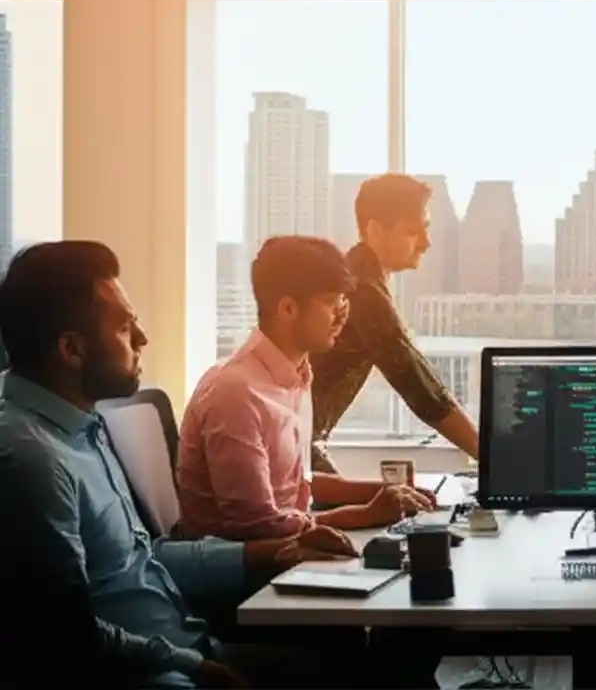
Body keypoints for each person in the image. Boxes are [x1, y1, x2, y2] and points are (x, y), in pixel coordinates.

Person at [0, 241, 351, 687]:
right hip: (149, 674)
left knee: (355, 657)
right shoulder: (31, 461)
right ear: (72, 349)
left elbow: (144, 558)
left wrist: (276, 553)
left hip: (184, 644)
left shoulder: (82, 429)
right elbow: (65, 634)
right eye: (126, 328)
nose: (143, 339)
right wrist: (193, 666)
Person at [177, 236, 437, 542]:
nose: (343, 315)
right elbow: (258, 527)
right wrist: (367, 514)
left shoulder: (295, 377)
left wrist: (385, 492)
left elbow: (299, 485)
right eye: (330, 302)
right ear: (288, 309)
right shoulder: (235, 393)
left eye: (344, 301)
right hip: (250, 577)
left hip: (290, 549)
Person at [310, 174, 479, 475]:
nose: (426, 243)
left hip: (300, 441)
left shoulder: (357, 276)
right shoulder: (361, 291)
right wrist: (494, 460)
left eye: (425, 230)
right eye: (413, 232)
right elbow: (420, 387)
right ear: (375, 231)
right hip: (289, 443)